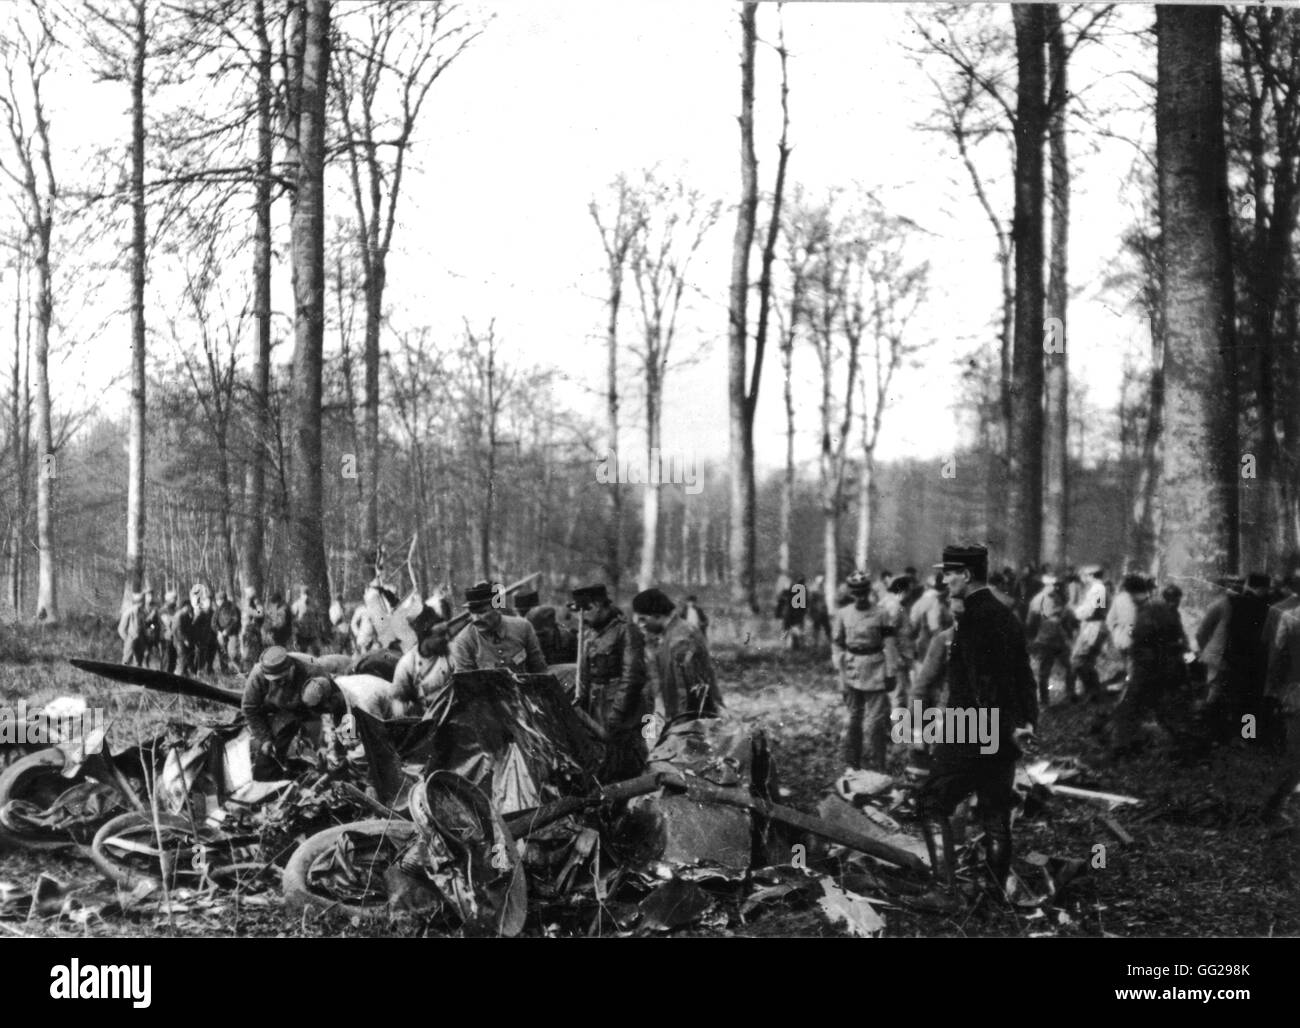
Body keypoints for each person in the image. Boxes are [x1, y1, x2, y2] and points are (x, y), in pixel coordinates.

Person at [914, 545, 1037, 898]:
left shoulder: (973, 620)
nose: (945, 579)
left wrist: (995, 727)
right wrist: (1023, 725)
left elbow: (985, 683)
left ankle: (944, 891)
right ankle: (994, 895)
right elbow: (1024, 679)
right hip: (1006, 732)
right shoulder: (1006, 615)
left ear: (967, 575)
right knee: (996, 813)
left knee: (931, 803)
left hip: (970, 727)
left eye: (950, 573)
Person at [1108, 579, 1201, 758]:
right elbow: (1179, 642)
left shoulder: (1149, 611)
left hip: (1148, 670)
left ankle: (1122, 746)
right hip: (1165, 668)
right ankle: (1184, 743)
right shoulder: (1167, 613)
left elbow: (1138, 640)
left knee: (1131, 708)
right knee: (1164, 709)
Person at [573, 584, 649, 779]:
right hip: (595, 708)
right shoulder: (590, 635)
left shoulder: (626, 631)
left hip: (620, 710)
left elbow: (632, 676)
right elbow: (585, 674)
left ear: (599, 604)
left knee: (624, 764)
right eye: (579, 610)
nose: (582, 616)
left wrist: (617, 714)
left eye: (587, 609)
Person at [241, 646, 349, 782]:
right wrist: (265, 738)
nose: (281, 683)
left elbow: (334, 710)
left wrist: (328, 744)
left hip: (312, 708)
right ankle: (275, 783)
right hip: (283, 710)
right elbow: (249, 709)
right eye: (276, 681)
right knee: (269, 756)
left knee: (329, 753)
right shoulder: (258, 674)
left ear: (291, 667)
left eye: (283, 678)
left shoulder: (312, 670)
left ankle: (333, 776)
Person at [831, 570, 900, 774]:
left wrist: (891, 671)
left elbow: (890, 645)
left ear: (868, 591)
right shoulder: (843, 614)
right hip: (851, 669)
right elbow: (837, 644)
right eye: (855, 591)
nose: (859, 595)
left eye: (863, 591)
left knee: (876, 723)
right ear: (851, 593)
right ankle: (854, 765)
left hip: (876, 669)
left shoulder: (881, 613)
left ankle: (879, 765)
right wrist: (840, 668)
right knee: (853, 720)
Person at [633, 586, 720, 724]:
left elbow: (684, 690)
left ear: (657, 615)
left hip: (691, 721)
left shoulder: (680, 639)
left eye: (643, 619)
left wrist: (678, 725)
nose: (640, 625)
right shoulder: (670, 635)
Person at [449, 581, 547, 674]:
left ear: (498, 607)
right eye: (472, 613)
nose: (475, 619)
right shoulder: (464, 641)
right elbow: (466, 684)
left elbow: (539, 669)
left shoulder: (523, 627)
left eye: (482, 612)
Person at [1261, 598, 1300, 824]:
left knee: (1294, 753)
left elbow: (1278, 655)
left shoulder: (1290, 615)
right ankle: (1272, 807)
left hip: (1293, 691)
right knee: (1295, 755)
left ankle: (1274, 805)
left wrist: (1274, 691)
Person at [1026, 578, 1075, 706]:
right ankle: (1047, 699)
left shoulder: (1051, 598)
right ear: (1045, 585)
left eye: (1054, 585)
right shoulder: (1042, 599)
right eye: (1050, 585)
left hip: (1054, 638)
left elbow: (1029, 621)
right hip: (1048, 639)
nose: (1053, 587)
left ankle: (1066, 695)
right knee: (1047, 670)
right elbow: (1030, 621)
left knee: (1067, 666)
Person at [391, 621, 453, 709]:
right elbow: (399, 701)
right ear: (425, 638)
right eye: (441, 634)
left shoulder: (451, 651)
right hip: (428, 715)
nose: (447, 638)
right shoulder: (406, 664)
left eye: (447, 633)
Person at [777, 576, 809, 650]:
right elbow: (806, 603)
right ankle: (797, 644)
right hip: (797, 613)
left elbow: (781, 600)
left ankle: (784, 644)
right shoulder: (803, 590)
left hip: (789, 613)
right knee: (796, 628)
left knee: (786, 629)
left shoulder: (789, 589)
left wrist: (779, 612)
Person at [213, 590, 241, 673]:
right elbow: (213, 622)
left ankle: (239, 671)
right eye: (217, 600)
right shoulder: (217, 610)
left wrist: (227, 631)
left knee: (233, 653)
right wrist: (218, 632)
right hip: (221, 635)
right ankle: (225, 672)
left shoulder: (233, 608)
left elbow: (235, 621)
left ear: (223, 600)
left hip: (232, 634)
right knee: (222, 653)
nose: (217, 602)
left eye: (218, 600)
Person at [118, 591, 149, 667]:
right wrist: (128, 639)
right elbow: (121, 629)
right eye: (142, 601)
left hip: (141, 640)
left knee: (139, 661)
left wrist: (150, 629)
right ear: (139, 601)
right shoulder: (128, 612)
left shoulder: (143, 612)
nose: (144, 603)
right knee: (126, 660)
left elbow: (147, 625)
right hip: (131, 639)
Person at [291, 585, 321, 656]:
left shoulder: (297, 604)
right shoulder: (314, 604)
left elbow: (292, 618)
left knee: (304, 654)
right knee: (314, 654)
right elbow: (318, 618)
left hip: (305, 633)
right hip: (309, 633)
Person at [240, 586, 264, 672]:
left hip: (250, 633)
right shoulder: (248, 607)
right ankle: (248, 673)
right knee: (250, 655)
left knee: (252, 654)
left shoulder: (247, 605)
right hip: (249, 634)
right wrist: (258, 604)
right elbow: (260, 613)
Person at [159, 590, 180, 673]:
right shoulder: (163, 610)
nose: (175, 601)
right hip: (166, 638)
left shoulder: (175, 610)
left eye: (176, 599)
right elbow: (168, 622)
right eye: (174, 599)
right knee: (166, 660)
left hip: (174, 638)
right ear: (168, 600)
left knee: (173, 660)